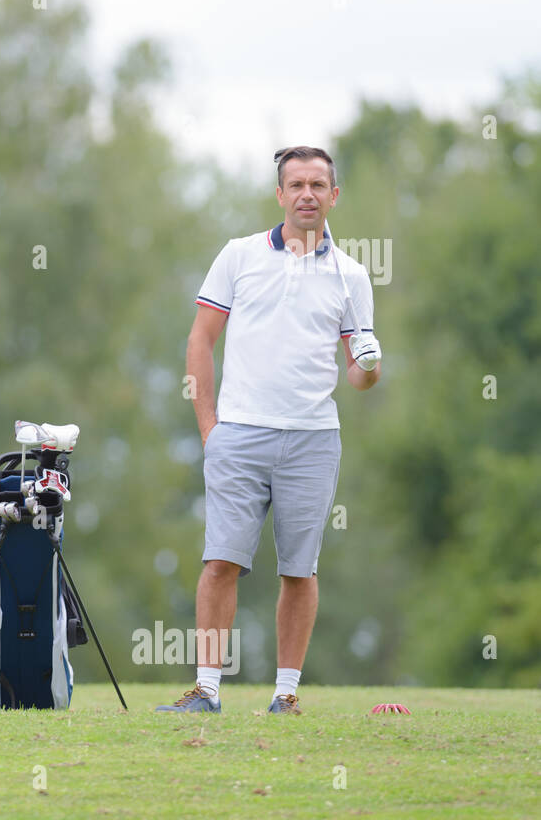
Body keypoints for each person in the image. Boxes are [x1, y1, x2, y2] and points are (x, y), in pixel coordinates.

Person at [158, 146, 382, 715]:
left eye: (318, 185)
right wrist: (209, 427)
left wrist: (370, 365)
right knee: (221, 561)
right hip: (238, 434)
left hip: (312, 437)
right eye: (296, 184)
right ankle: (207, 689)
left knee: (299, 570)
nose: (307, 194)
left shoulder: (351, 275)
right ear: (280, 194)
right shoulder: (239, 257)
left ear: (334, 196)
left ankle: (285, 696)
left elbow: (357, 378)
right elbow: (200, 341)